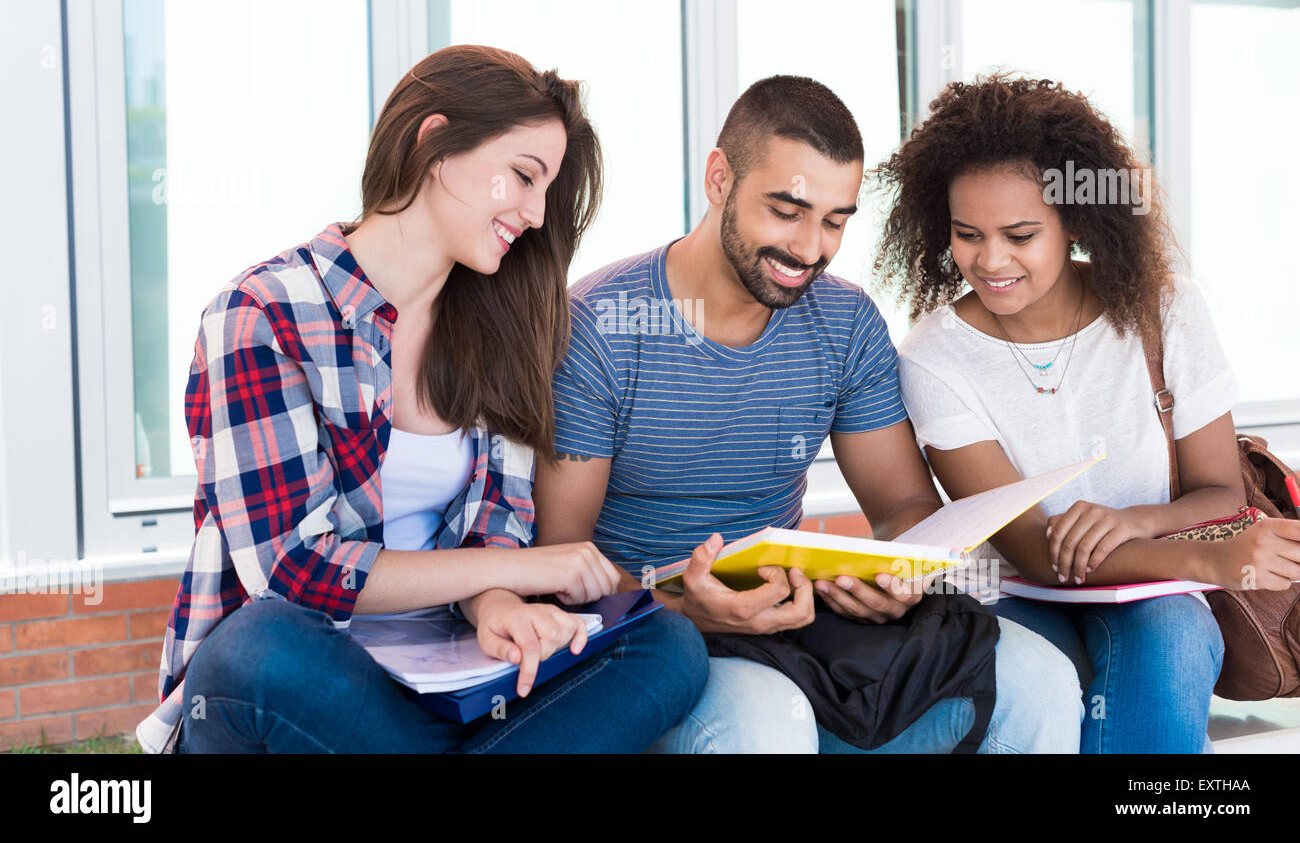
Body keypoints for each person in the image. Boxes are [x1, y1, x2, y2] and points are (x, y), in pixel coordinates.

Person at [134, 44, 708, 754]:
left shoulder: (502, 327)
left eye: (546, 191)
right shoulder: (263, 313)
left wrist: (495, 603)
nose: (534, 213)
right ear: (434, 140)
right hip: (302, 686)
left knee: (665, 644)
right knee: (256, 646)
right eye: (524, 177)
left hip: (449, 688)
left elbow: (493, 525)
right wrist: (520, 572)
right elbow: (293, 569)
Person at [534, 74, 1084, 753]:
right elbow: (559, 557)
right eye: (787, 210)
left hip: (800, 619)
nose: (809, 248)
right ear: (718, 178)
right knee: (769, 720)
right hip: (646, 634)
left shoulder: (846, 322)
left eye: (833, 220)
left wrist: (903, 573)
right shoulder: (601, 326)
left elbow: (902, 504)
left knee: (1043, 681)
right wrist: (681, 608)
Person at [873, 73, 1300, 753]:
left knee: (1176, 634)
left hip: (1157, 589)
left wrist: (1134, 520)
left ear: (1074, 220)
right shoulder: (934, 357)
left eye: (1020, 234)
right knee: (1041, 679)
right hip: (1014, 593)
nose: (990, 260)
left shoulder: (1167, 309)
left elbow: (1218, 490)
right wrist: (1216, 561)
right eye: (967, 234)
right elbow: (1039, 557)